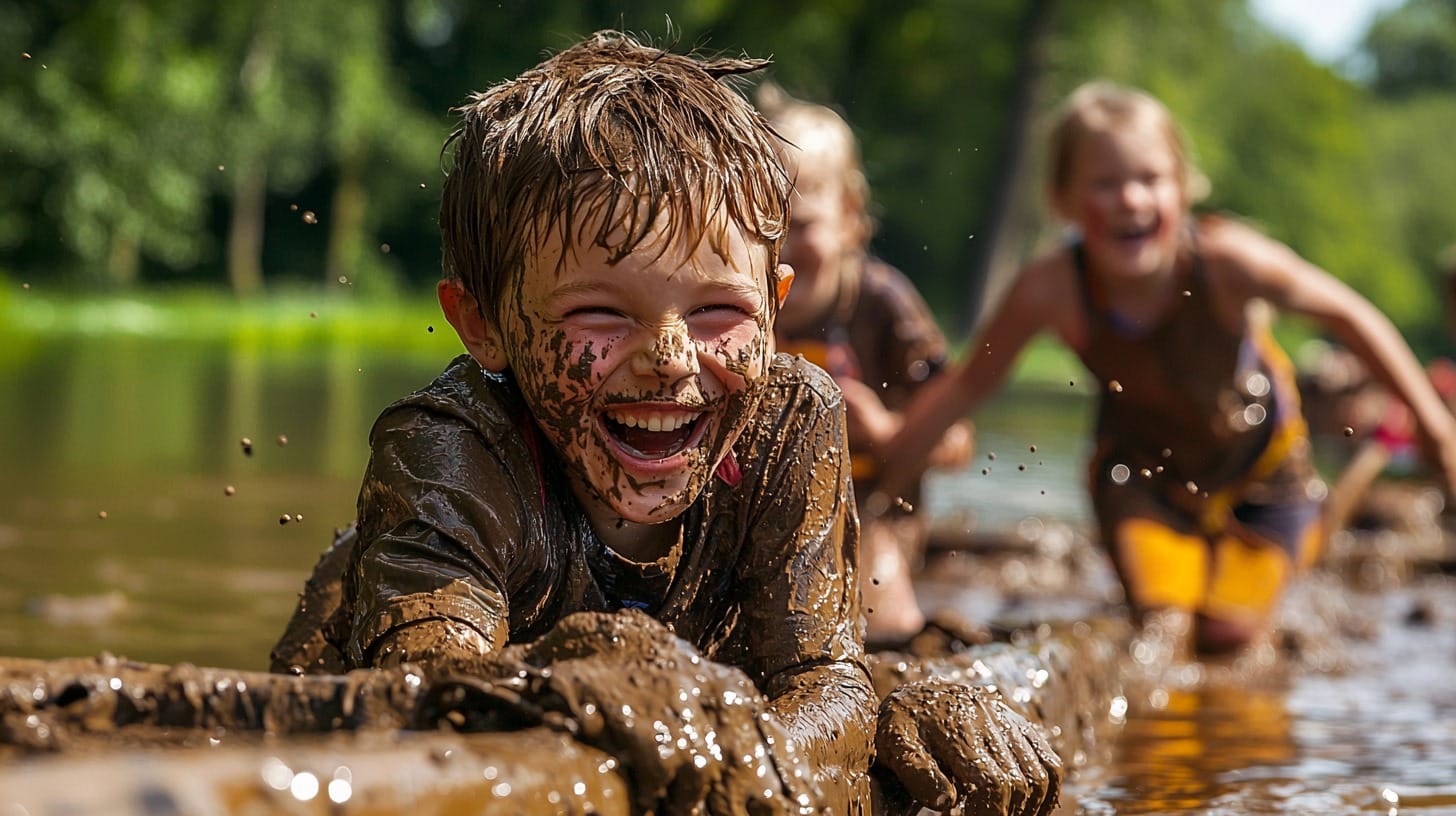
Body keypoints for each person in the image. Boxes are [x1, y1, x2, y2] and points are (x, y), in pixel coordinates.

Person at [269, 31, 1058, 814]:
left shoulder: (792, 421)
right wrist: (624, 667)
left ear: (776, 312)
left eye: (719, 311)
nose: (672, 359)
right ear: (483, 325)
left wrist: (769, 751)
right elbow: (428, 688)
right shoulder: (448, 450)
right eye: (601, 313)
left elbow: (825, 683)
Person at [875, 81, 1456, 657]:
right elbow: (968, 384)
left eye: (1150, 179)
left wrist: (1434, 430)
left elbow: (1351, 314)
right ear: (1064, 199)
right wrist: (882, 484)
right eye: (1106, 183)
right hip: (1142, 479)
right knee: (1162, 630)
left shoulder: (1228, 262)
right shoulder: (1052, 289)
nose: (1131, 199)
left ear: (1182, 189)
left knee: (1228, 637)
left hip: (1266, 474)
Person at [758, 85, 974, 648]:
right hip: (764, 510)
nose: (778, 247)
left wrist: (883, 431)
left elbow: (956, 438)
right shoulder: (739, 299)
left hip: (877, 509)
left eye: (800, 224)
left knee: (882, 620)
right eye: (761, 223)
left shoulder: (880, 303)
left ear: (850, 218)